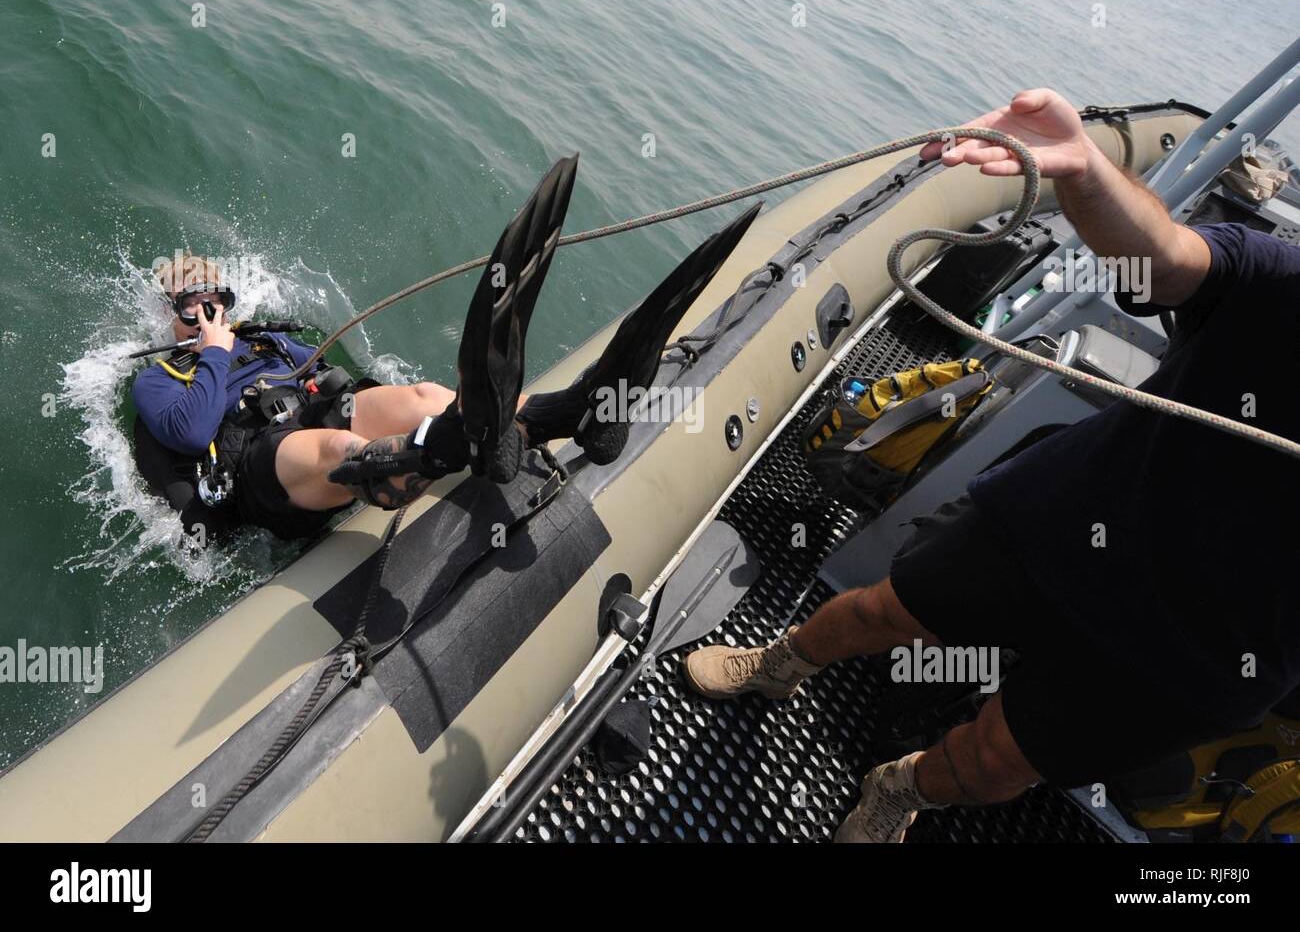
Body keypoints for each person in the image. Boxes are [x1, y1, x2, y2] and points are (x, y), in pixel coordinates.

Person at [683, 88, 1300, 842]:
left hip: (1207, 652)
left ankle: (901, 789)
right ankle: (782, 662)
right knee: (885, 610)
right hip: (1075, 522)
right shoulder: (1286, 287)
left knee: (996, 764)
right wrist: (1082, 173)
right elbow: (1164, 263)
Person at [133, 156, 760, 541]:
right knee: (337, 448)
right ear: (172, 314)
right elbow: (188, 435)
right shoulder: (158, 376)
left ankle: (571, 415)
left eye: (216, 297)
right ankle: (452, 445)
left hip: (311, 405)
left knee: (430, 397)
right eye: (192, 302)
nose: (209, 310)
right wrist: (212, 351)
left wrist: (326, 381)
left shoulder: (270, 336)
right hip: (260, 462)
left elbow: (330, 378)